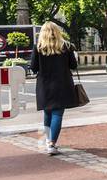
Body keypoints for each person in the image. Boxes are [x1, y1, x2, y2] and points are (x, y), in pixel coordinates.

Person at [29, 21, 78, 156]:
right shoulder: (66, 46)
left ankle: (48, 140)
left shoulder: (38, 47)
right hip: (62, 84)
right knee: (57, 114)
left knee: (47, 113)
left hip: (44, 85)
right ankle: (52, 143)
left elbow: (33, 67)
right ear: (57, 32)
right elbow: (73, 65)